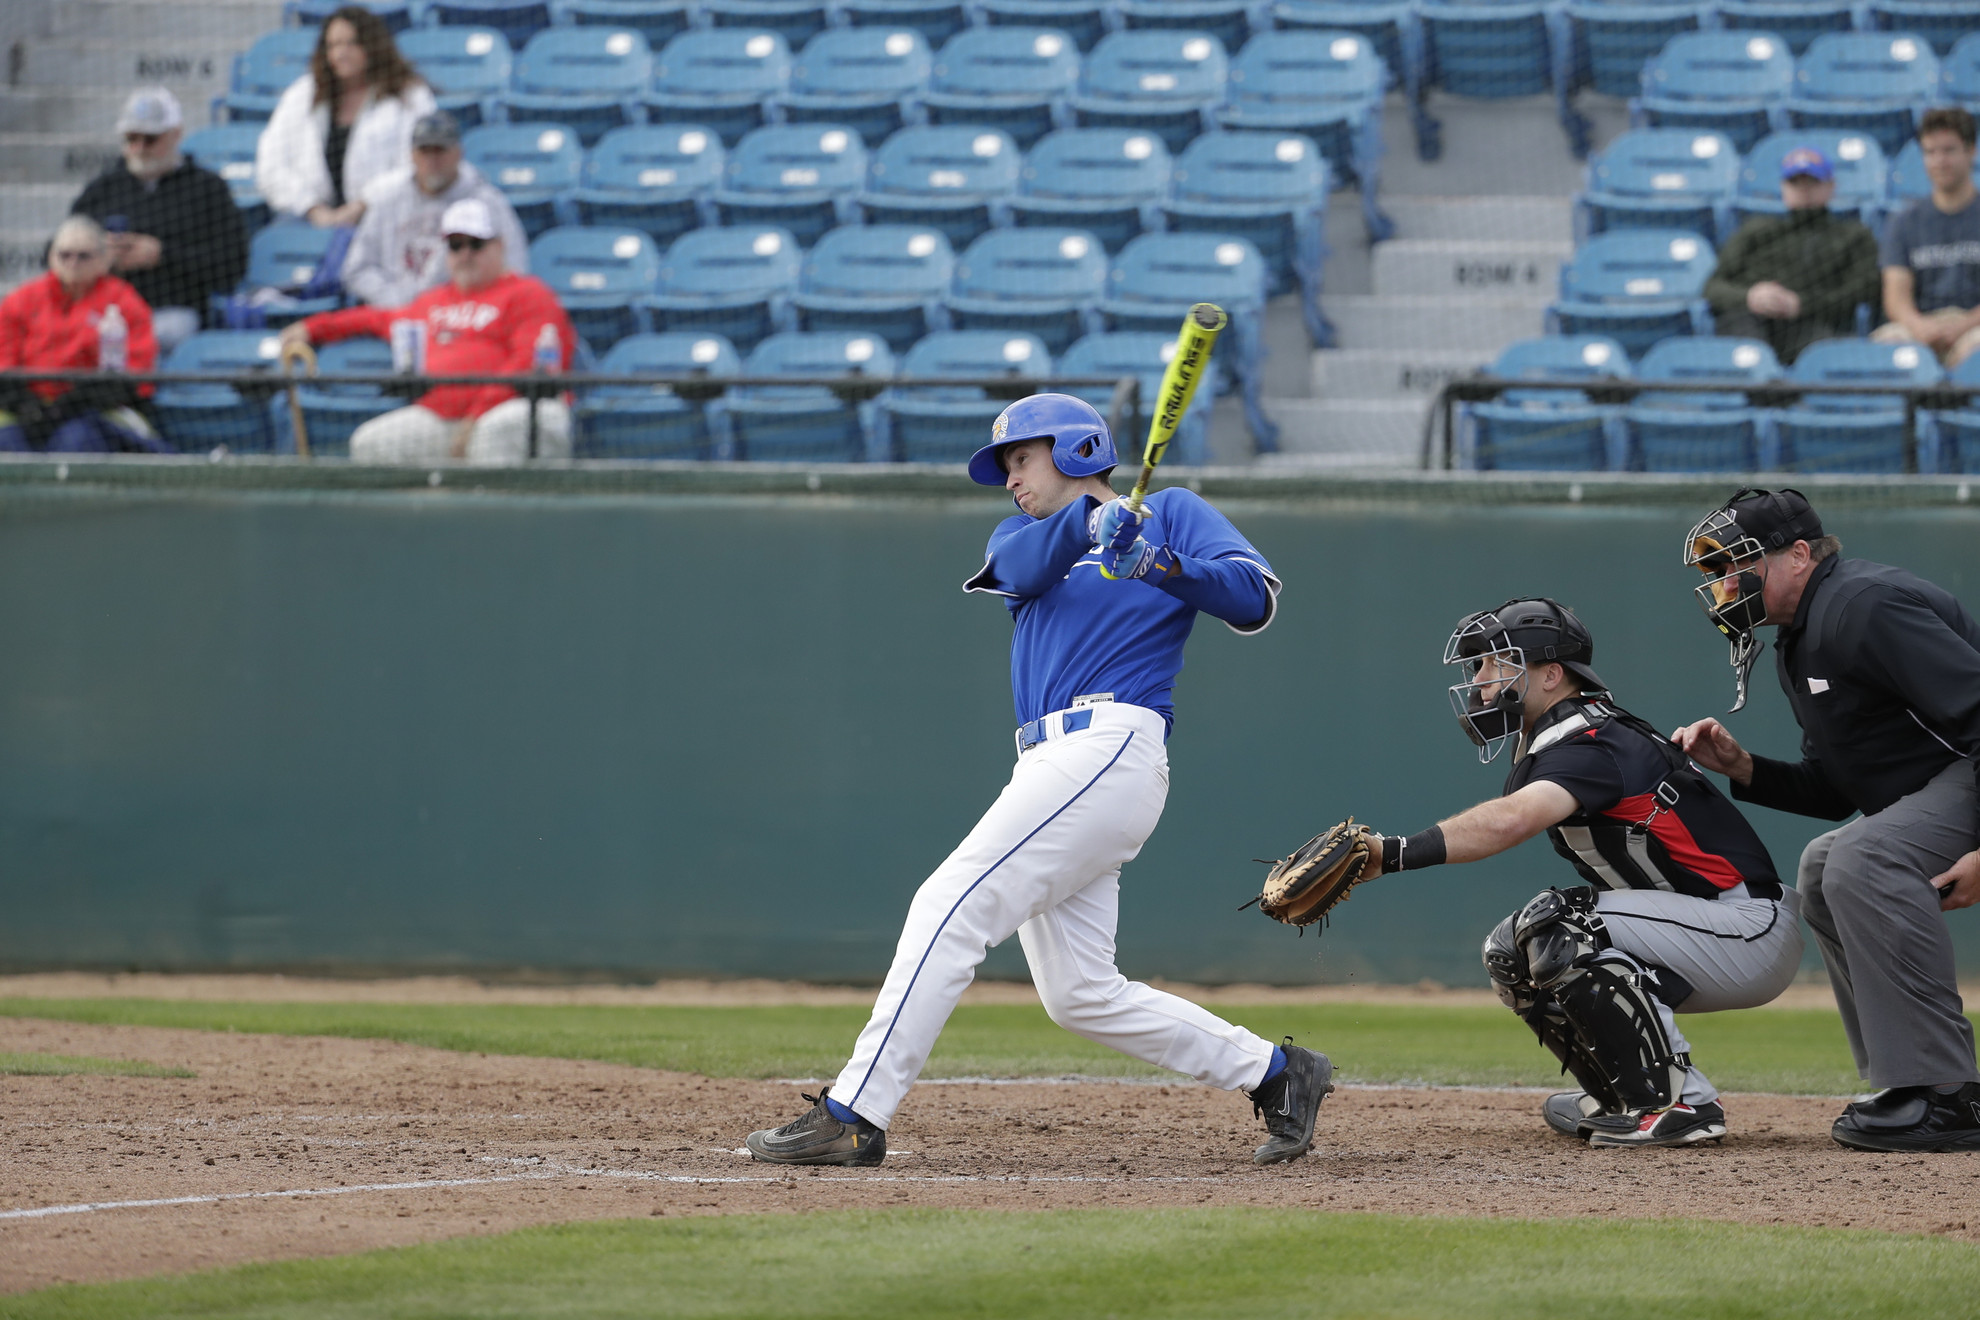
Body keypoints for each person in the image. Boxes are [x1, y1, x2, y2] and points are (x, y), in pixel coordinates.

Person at [743, 395, 1334, 1168]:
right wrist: (1092, 527)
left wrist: (1159, 561)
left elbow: (1252, 600)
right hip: (1053, 763)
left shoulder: (1175, 513)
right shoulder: (1024, 536)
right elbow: (1018, 570)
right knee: (1079, 993)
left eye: (1023, 458)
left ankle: (855, 1113)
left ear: (1079, 450)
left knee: (948, 906)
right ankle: (1278, 1074)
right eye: (1007, 467)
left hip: (1110, 744)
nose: (1012, 478)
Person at [1330, 599, 1800, 1147]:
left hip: (1745, 924)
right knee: (1509, 950)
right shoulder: (1567, 737)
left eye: (1494, 663)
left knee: (1556, 923)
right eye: (1477, 666)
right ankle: (1622, 1093)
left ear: (1552, 675)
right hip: (1702, 926)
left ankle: (1678, 1103)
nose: (1480, 681)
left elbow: (1509, 822)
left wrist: (1391, 852)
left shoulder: (1591, 742)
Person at [1674, 487, 1980, 1152]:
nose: (1725, 584)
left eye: (1735, 563)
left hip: (1968, 770)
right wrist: (1743, 767)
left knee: (1863, 859)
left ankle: (1951, 1095)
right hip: (1940, 783)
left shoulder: (1864, 605)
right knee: (1822, 865)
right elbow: (1839, 791)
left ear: (1799, 555)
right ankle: (1906, 1083)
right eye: (1717, 572)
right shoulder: (1800, 639)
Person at [280, 199, 573, 465]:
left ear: (499, 246)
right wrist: (312, 327)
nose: (466, 254)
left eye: (476, 244)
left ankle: (494, 524)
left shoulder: (529, 294)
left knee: (495, 434)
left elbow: (527, 366)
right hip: (444, 418)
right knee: (373, 444)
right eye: (456, 245)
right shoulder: (433, 302)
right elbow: (375, 319)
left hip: (518, 409)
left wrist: (476, 415)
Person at [68, 87, 246, 353]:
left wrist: (162, 255)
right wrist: (96, 255)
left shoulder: (208, 188)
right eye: (131, 139)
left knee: (151, 337)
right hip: (104, 308)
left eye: (150, 139)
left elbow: (232, 265)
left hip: (171, 309)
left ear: (176, 134)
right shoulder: (102, 188)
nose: (139, 148)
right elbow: (55, 250)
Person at [0, 216, 170, 454]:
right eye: (65, 255)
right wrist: (27, 405)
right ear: (51, 257)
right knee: (7, 441)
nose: (73, 263)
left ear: (104, 260)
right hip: (25, 405)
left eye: (83, 256)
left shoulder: (124, 301)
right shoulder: (21, 300)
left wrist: (73, 403)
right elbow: (4, 364)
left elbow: (134, 373)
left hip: (95, 406)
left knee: (77, 442)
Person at [256, 5, 435, 227]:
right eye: (333, 45)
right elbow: (271, 165)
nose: (341, 53)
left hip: (388, 218)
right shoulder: (302, 94)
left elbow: (416, 163)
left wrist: (363, 204)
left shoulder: (409, 95)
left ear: (372, 45)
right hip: (313, 222)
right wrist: (312, 208)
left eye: (351, 43)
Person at [1703, 146, 1879, 364]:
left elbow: (1863, 289)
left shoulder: (1853, 236)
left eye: (1812, 182)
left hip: (1811, 324)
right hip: (1749, 319)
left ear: (1831, 186)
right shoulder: (1755, 230)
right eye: (1795, 183)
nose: (1804, 190)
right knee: (1748, 353)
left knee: (1823, 356)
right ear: (1783, 187)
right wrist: (1750, 297)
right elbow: (1713, 287)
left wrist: (1801, 304)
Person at [342, 111, 529, 309]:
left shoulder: (487, 201)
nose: (432, 160)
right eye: (425, 151)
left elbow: (514, 268)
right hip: (393, 313)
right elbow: (357, 269)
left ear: (458, 153)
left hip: (462, 314)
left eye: (440, 150)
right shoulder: (387, 200)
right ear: (412, 155)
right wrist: (394, 301)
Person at [1873, 107, 1980, 368]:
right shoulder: (1903, 222)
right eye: (1930, 152)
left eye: (1949, 150)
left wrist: (1963, 327)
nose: (1939, 161)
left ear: (1971, 151)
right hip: (1923, 324)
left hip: (1973, 325)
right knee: (1883, 348)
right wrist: (1919, 327)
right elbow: (1896, 297)